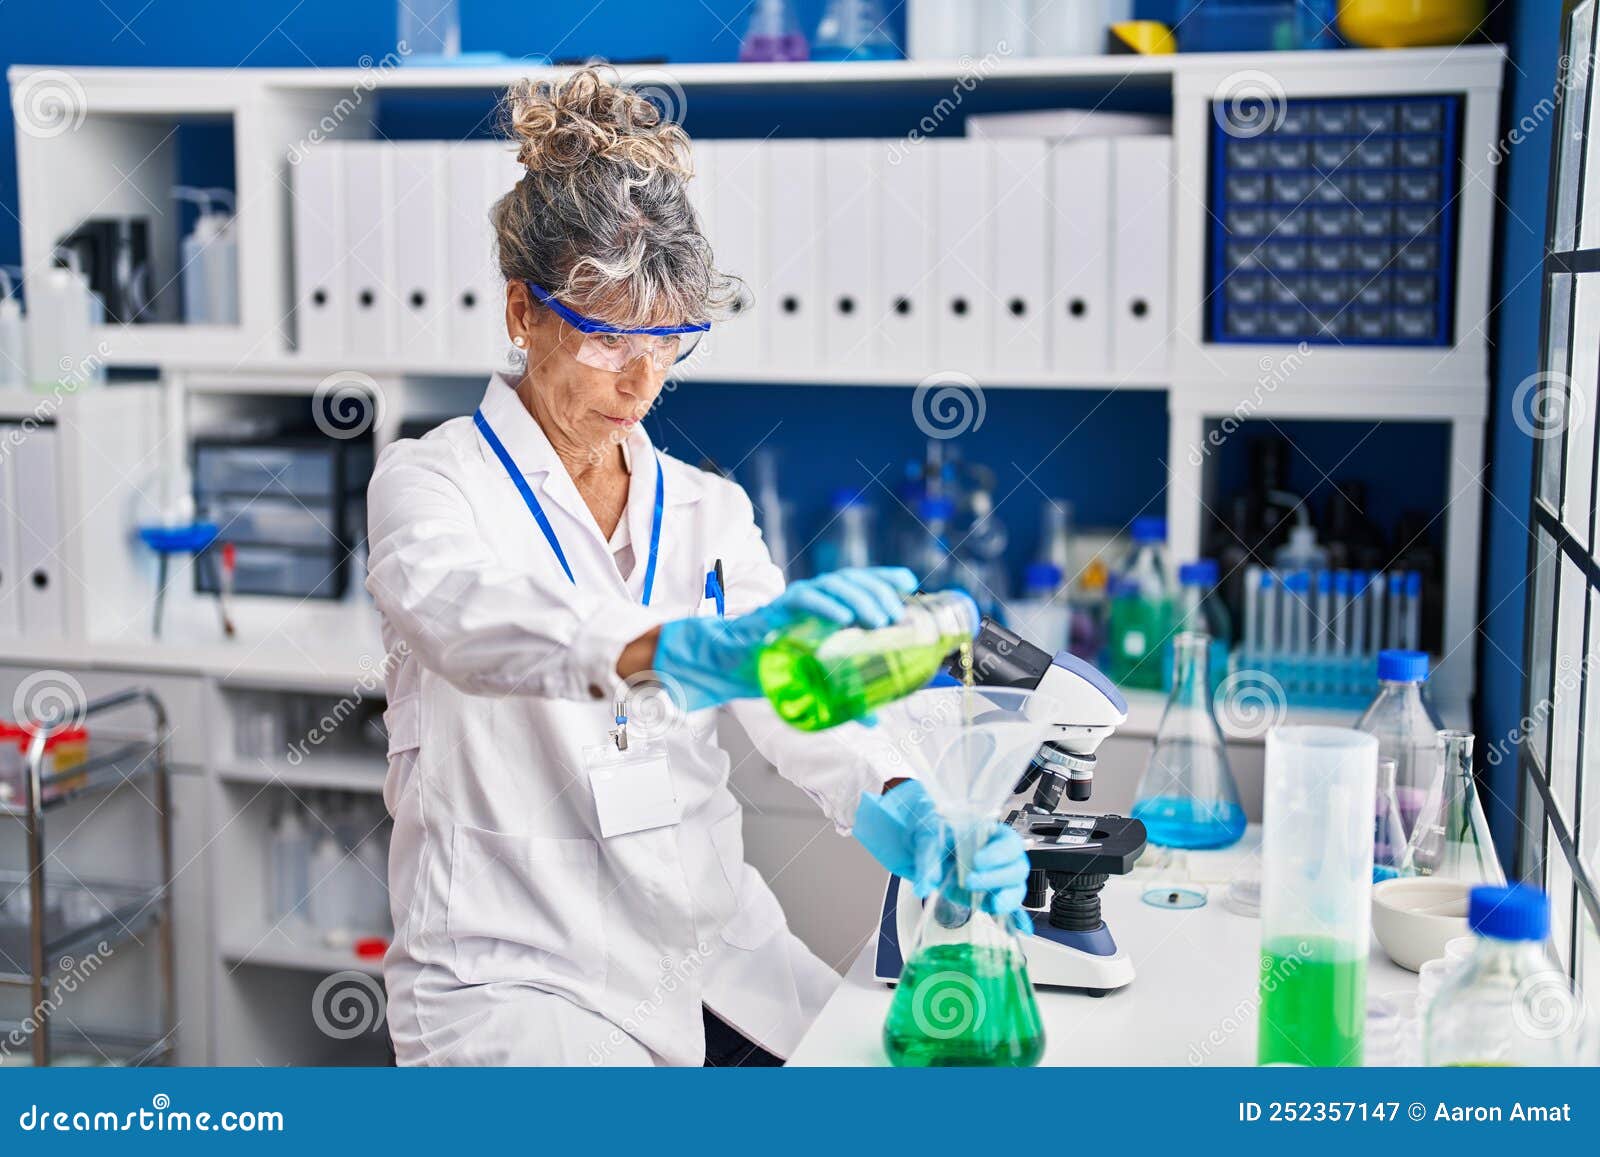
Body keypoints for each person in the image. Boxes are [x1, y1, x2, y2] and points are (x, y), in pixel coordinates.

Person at [364, 68, 1029, 1067]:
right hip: (512, 974)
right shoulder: (430, 482)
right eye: (604, 340)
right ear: (522, 310)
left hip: (717, 955)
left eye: (669, 342)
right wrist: (683, 649)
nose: (641, 382)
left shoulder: (709, 508)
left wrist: (906, 797)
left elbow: (797, 709)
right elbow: (469, 622)